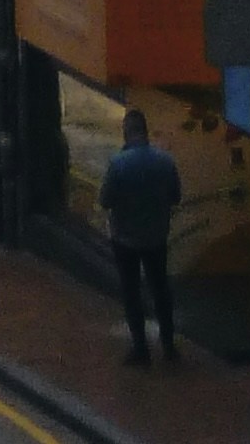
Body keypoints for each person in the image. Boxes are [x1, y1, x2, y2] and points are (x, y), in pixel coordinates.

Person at [98, 107, 183, 368]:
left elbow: (105, 200)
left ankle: (140, 348)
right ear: (145, 131)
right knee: (160, 289)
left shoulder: (118, 164)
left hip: (125, 238)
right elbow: (176, 196)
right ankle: (168, 345)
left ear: (126, 132)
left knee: (131, 291)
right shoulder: (165, 161)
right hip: (156, 237)